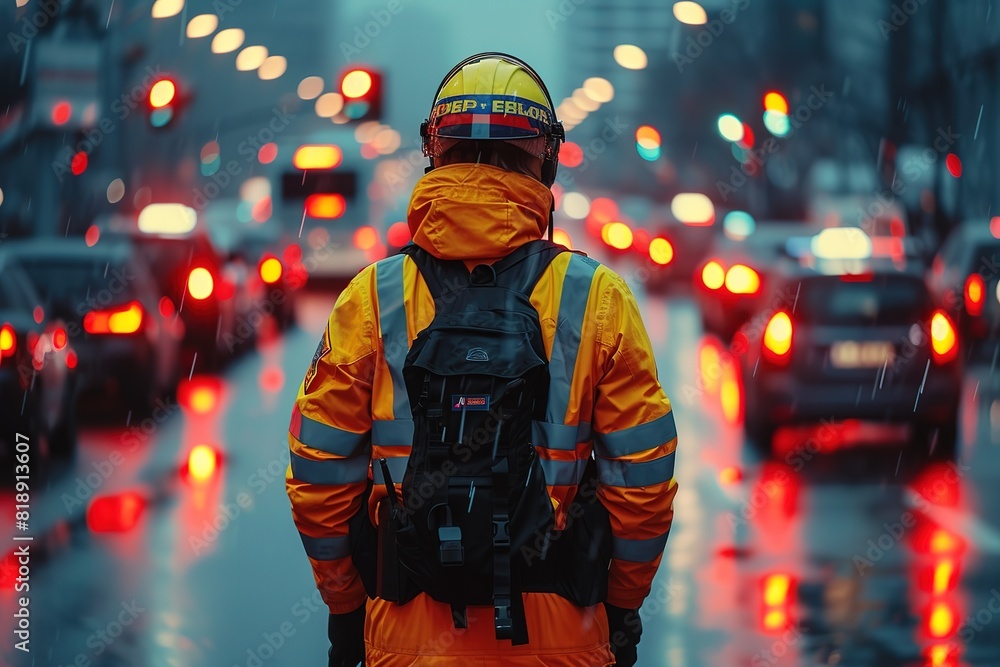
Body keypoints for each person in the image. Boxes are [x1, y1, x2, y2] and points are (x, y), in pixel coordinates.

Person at [285, 52, 678, 667]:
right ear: (545, 160)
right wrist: (622, 606)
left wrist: (346, 607)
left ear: (433, 153)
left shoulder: (373, 297)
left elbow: (319, 477)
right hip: (561, 641)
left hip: (408, 641)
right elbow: (644, 479)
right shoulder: (595, 298)